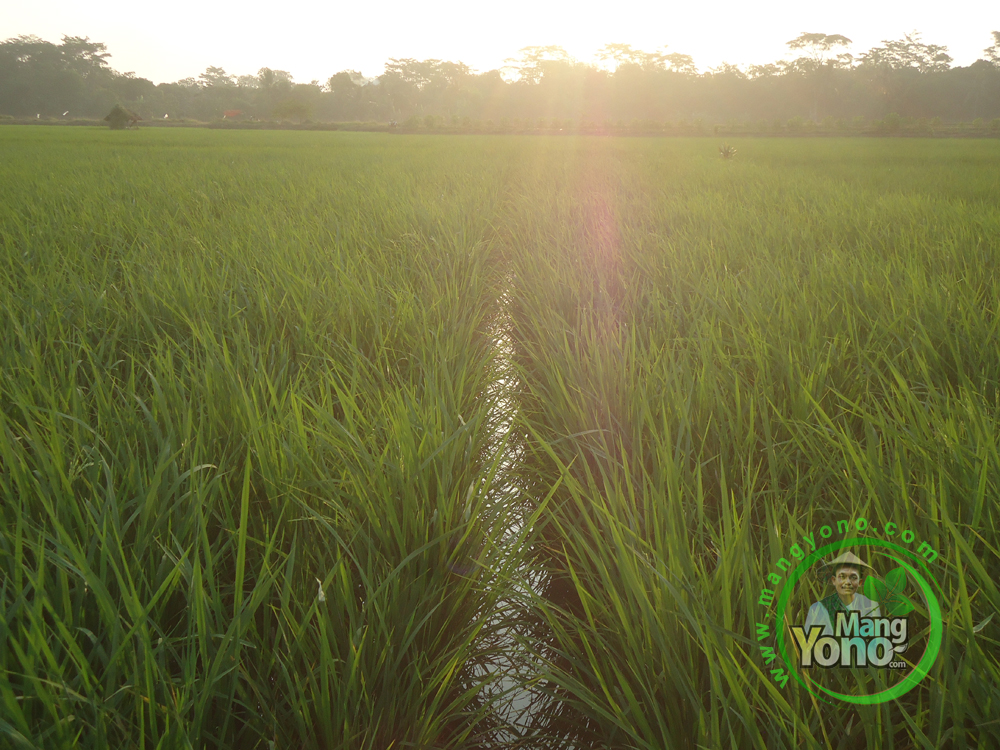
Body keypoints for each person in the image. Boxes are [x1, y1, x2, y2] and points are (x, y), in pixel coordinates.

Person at [803, 551, 880, 636]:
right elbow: (809, 643)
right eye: (842, 577)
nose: (847, 582)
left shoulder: (870, 605)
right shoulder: (818, 608)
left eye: (853, 577)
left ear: (860, 582)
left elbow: (878, 639)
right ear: (833, 580)